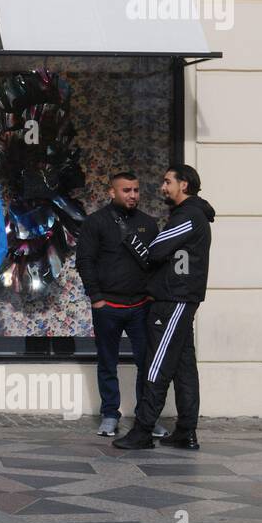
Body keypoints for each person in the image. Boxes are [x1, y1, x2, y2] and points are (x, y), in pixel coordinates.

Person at [113, 165, 215, 452]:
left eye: (167, 182)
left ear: (184, 185)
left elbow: (156, 249)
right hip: (179, 299)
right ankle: (186, 432)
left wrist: (139, 243)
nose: (162, 187)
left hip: (174, 300)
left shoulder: (188, 216)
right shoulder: (189, 215)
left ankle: (143, 431)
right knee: (184, 368)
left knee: (157, 365)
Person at [74, 172, 167, 438]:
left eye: (136, 190)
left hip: (140, 306)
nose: (133, 195)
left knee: (147, 364)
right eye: (126, 190)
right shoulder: (95, 222)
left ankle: (146, 418)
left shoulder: (148, 224)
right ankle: (110, 415)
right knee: (107, 362)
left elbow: (157, 263)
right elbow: (85, 261)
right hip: (108, 307)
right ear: (112, 192)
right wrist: (97, 298)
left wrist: (150, 295)